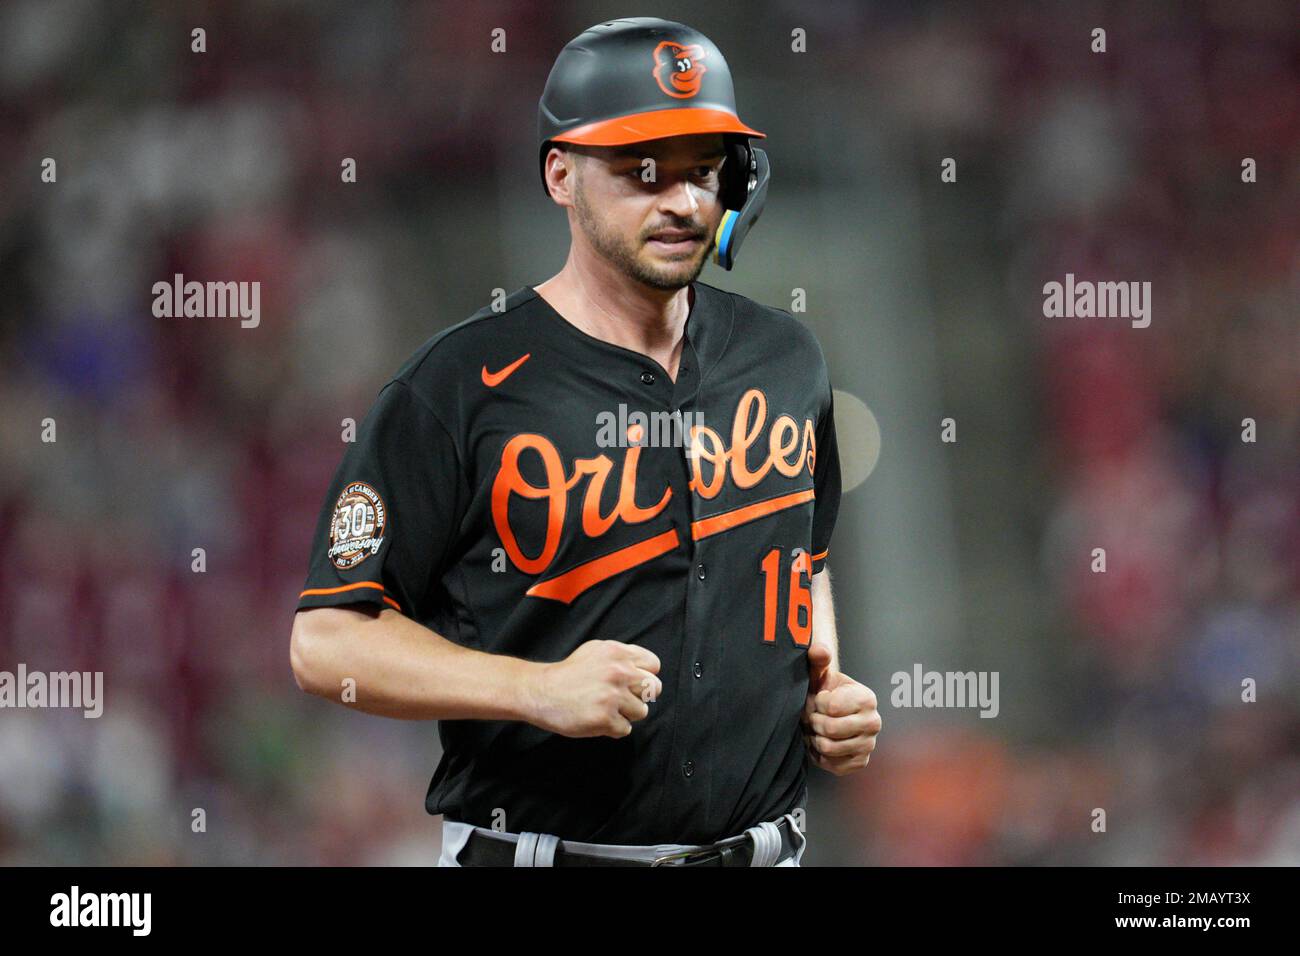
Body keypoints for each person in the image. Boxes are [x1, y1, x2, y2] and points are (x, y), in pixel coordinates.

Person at [290, 16, 881, 867]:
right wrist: (534, 688)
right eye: (642, 172)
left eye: (701, 171)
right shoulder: (457, 385)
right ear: (560, 174)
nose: (682, 202)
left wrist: (828, 680)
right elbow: (327, 642)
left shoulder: (787, 358)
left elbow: (805, 557)